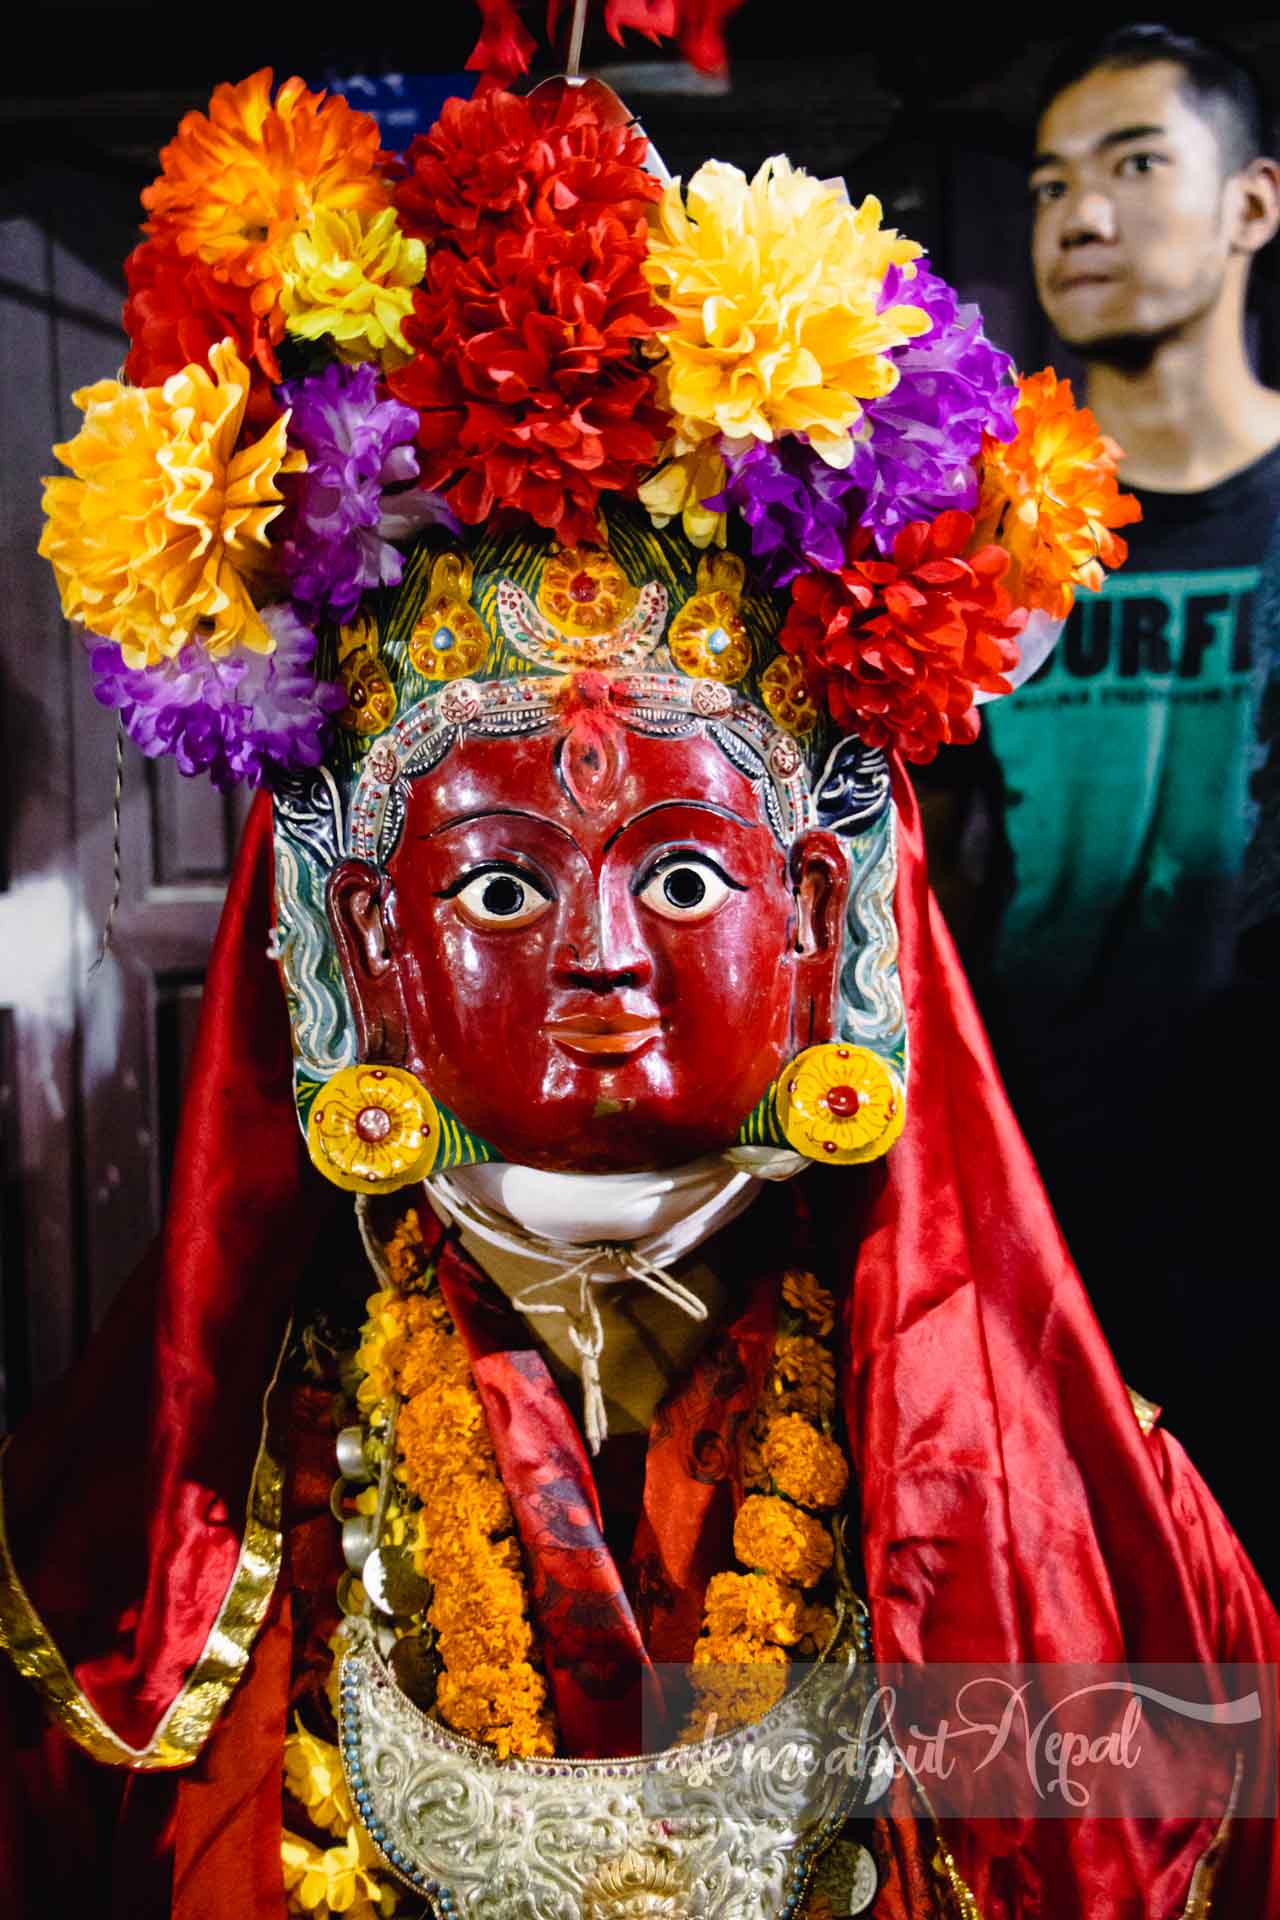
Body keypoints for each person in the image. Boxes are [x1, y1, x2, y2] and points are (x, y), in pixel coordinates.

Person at [2, 62, 1278, 1920]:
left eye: (683, 877)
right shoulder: (138, 1576)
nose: (601, 957)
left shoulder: (1094, 1562)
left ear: (829, 915)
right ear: (357, 948)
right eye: (501, 886)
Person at [976, 26, 1280, 1573]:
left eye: (1135, 165)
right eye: (1049, 186)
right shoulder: (975, 532)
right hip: (1020, 1223)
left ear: (1254, 205)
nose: (1080, 218)